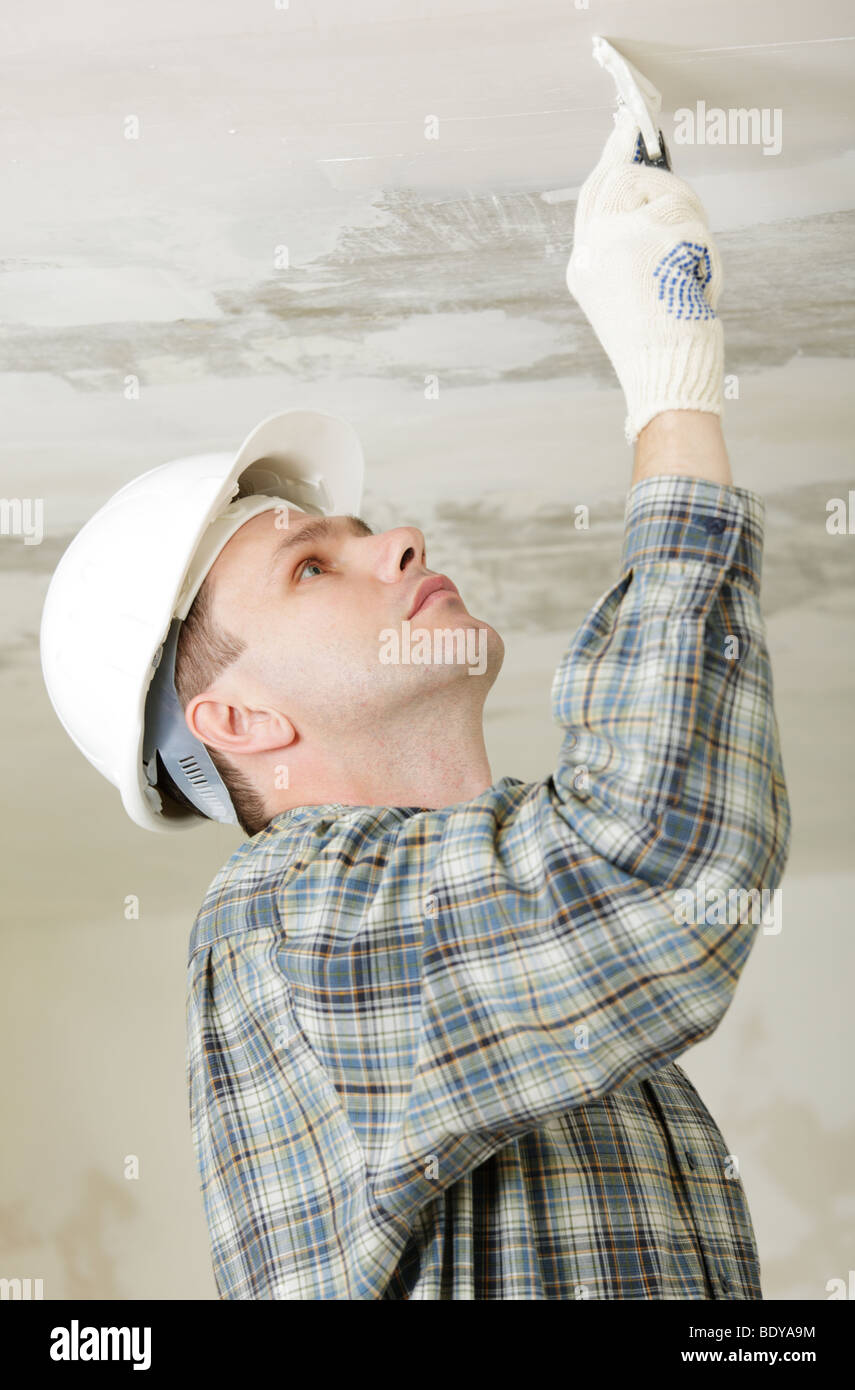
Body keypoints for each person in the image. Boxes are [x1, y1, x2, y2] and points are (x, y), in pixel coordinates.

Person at [41, 108, 790, 1300]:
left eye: (357, 533)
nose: (399, 540)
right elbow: (654, 859)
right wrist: (668, 382)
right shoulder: (282, 923)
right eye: (311, 566)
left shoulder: (508, 970)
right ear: (236, 722)